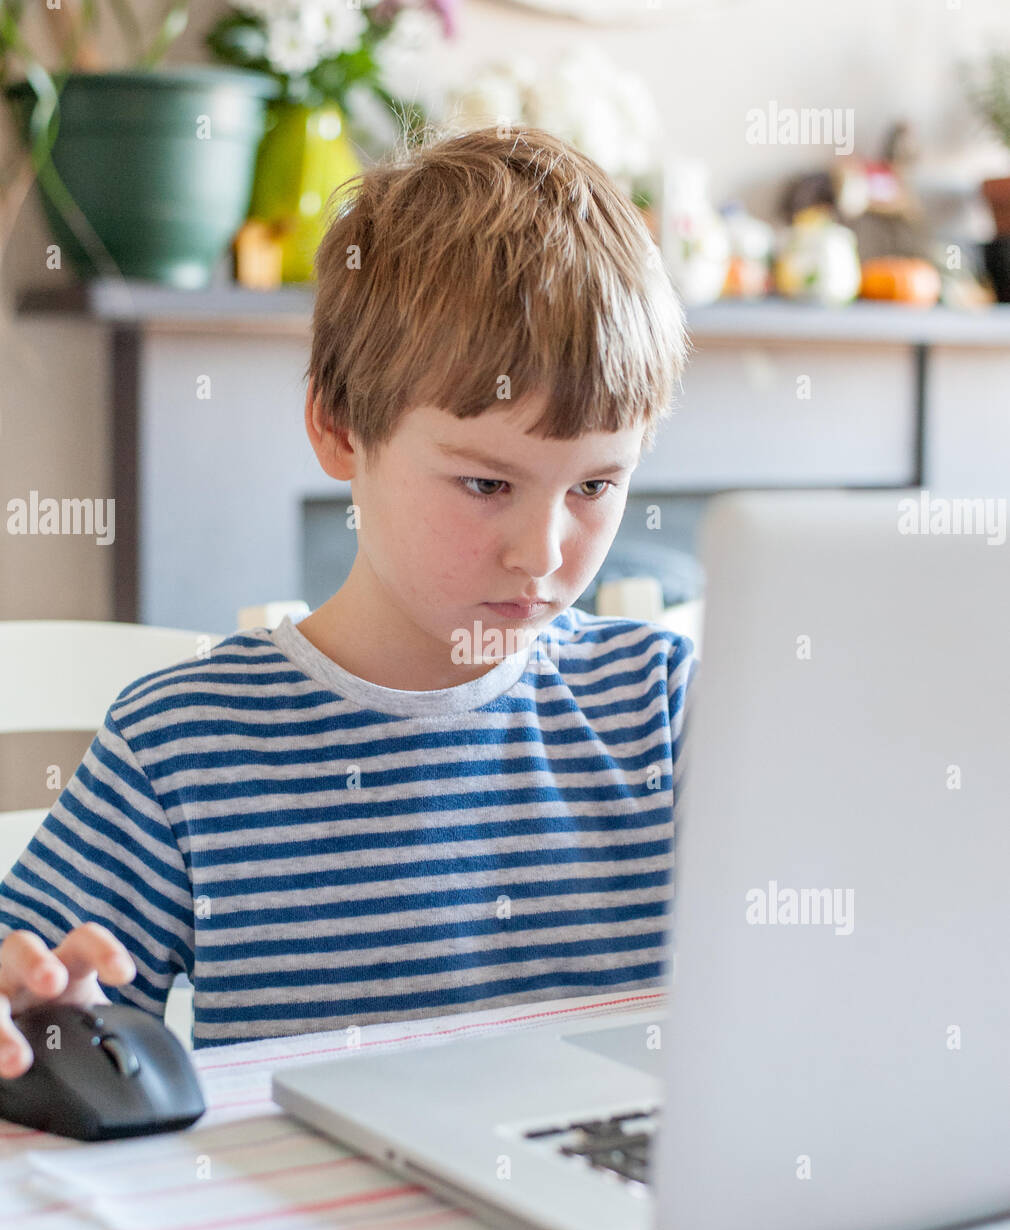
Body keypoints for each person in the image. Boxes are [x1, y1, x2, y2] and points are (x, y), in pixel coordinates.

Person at [0, 125, 696, 1071]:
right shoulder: (185, 743)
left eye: (596, 487)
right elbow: (32, 1001)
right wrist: (46, 1017)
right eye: (487, 485)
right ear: (339, 429)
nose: (542, 554)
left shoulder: (664, 709)